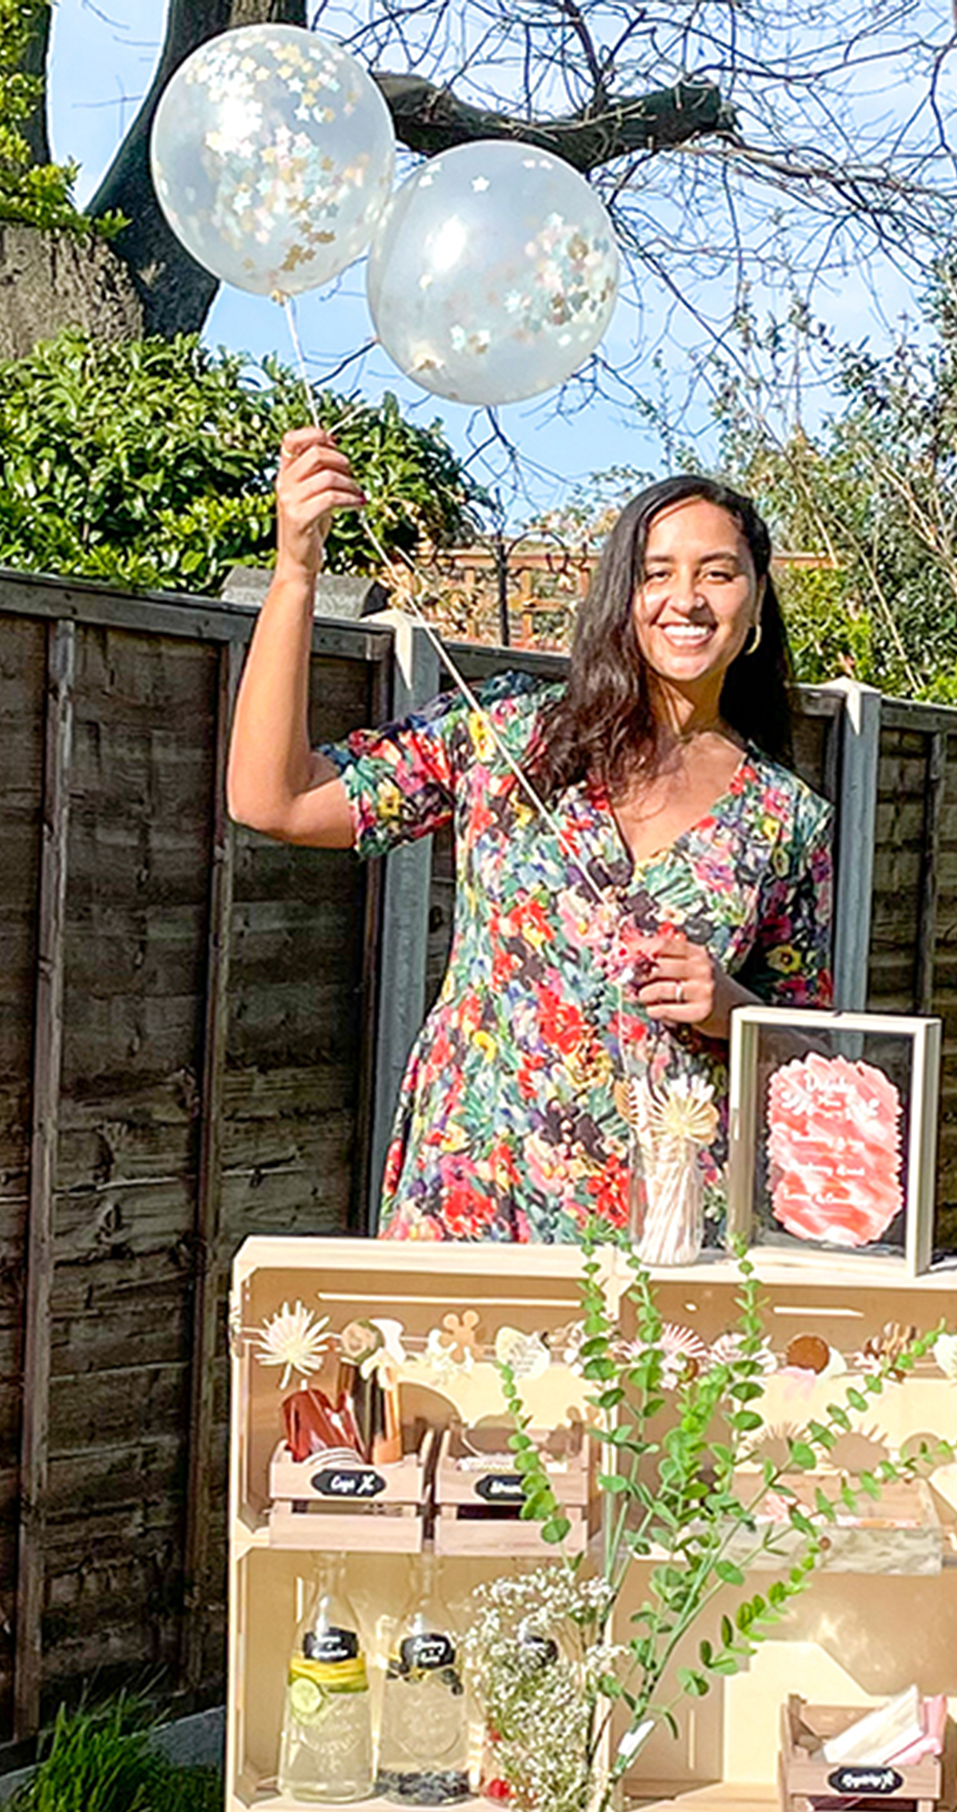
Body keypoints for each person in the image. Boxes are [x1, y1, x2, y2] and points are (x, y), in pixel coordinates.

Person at [227, 427, 834, 1242]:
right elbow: (276, 799)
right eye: (656, 574)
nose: (685, 599)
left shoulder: (785, 817)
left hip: (660, 1230)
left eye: (717, 574)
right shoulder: (506, 733)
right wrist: (296, 573)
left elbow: (812, 1058)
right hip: (474, 1193)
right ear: (622, 596)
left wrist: (731, 1009)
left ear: (755, 603)